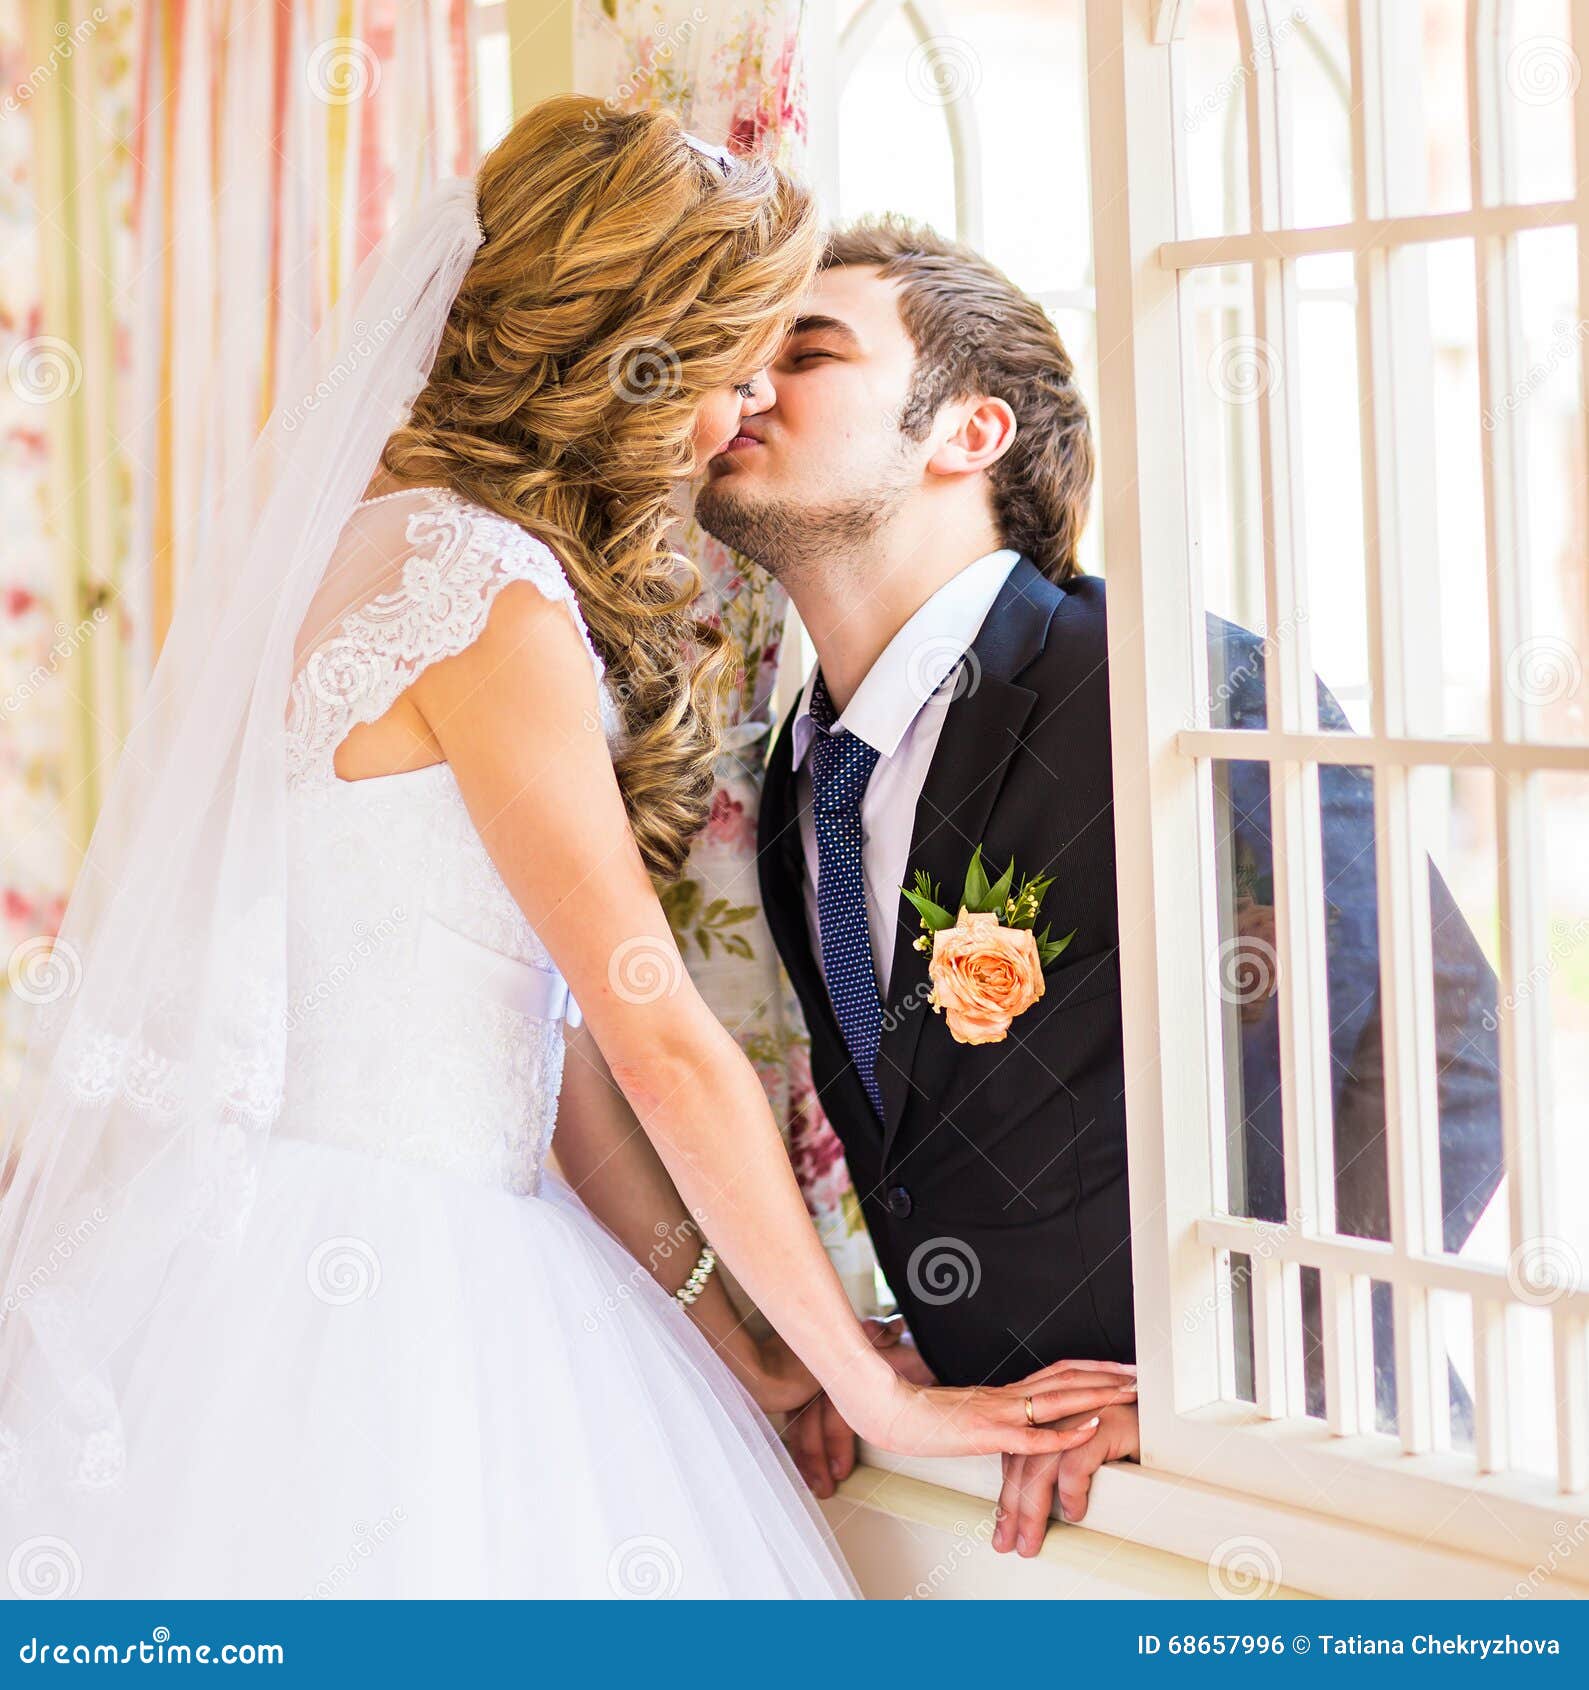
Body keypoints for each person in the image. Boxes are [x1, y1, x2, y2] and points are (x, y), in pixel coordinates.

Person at [0, 102, 1135, 1601]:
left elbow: (546, 1057)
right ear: (632, 341)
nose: (741, 400)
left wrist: (747, 1343)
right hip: (400, 1278)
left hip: (337, 1228)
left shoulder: (392, 544)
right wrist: (876, 1392)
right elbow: (650, 1027)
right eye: (737, 346)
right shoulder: (483, 589)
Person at [690, 215, 1503, 1555]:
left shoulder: (1168, 687)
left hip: (1295, 1498)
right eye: (737, 355)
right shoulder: (793, 787)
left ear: (967, 430)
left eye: (809, 351)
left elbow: (1440, 1049)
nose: (746, 387)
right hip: (1010, 1503)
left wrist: (1219, 1387)